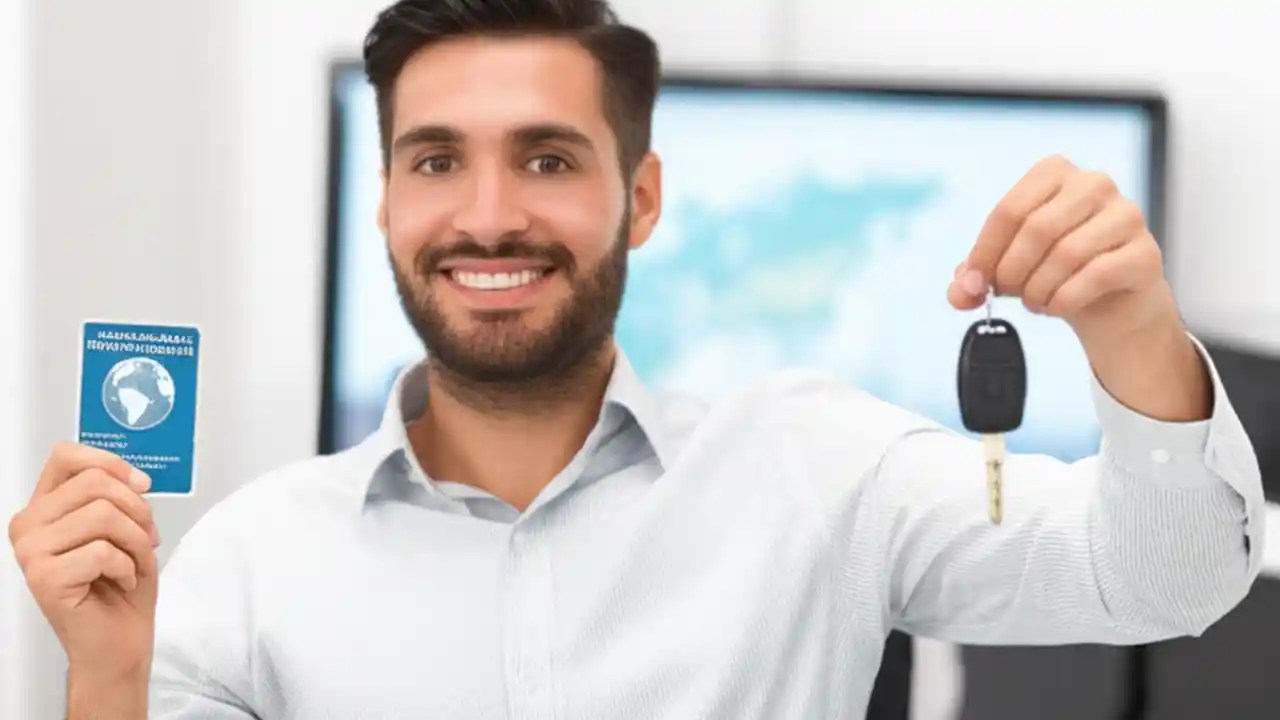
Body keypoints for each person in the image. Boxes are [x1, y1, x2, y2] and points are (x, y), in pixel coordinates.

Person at [7, 1, 1266, 717]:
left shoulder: (819, 473)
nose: (488, 214)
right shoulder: (247, 558)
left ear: (643, 196)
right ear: (384, 200)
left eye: (547, 159)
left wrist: (1130, 330)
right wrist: (107, 673)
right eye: (435, 159)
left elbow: (1167, 581)